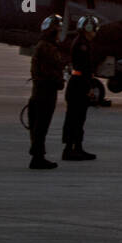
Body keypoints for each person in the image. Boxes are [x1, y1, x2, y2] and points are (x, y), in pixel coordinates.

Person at [28, 15, 67, 170]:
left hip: (39, 92)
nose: (59, 32)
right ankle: (37, 158)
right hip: (45, 93)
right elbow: (50, 71)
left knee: (38, 127)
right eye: (57, 29)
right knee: (41, 127)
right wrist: (59, 82)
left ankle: (37, 156)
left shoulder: (42, 45)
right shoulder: (48, 48)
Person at [62, 15, 100, 161]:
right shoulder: (82, 45)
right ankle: (70, 150)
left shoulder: (82, 43)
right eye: (93, 29)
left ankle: (77, 148)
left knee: (78, 119)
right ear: (88, 28)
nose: (95, 32)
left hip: (78, 84)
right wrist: (88, 88)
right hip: (78, 86)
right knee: (75, 119)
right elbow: (84, 69)